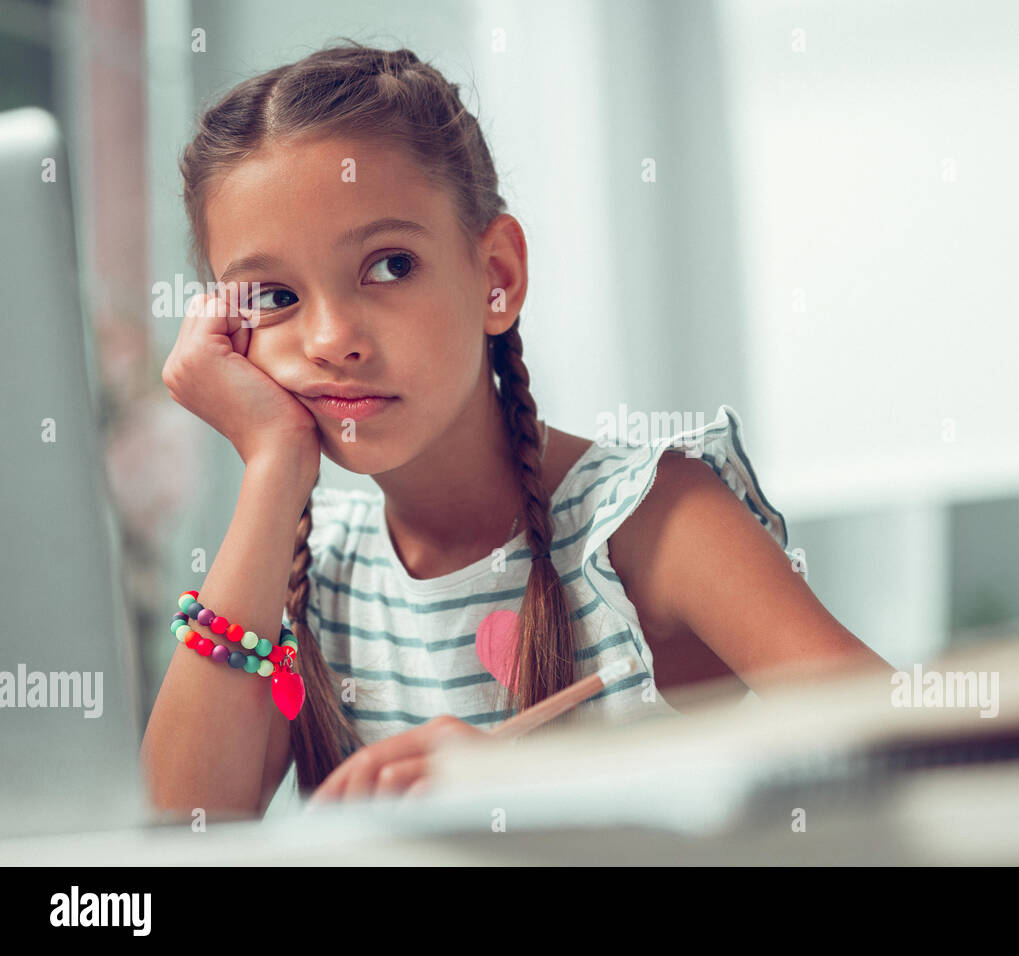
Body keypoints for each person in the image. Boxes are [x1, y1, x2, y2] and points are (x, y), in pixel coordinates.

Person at [140, 41, 888, 819]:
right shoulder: (308, 575)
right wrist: (271, 469)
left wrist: (534, 783)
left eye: (389, 265)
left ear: (496, 277)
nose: (332, 338)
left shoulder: (647, 520)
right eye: (272, 296)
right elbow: (186, 832)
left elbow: (913, 752)